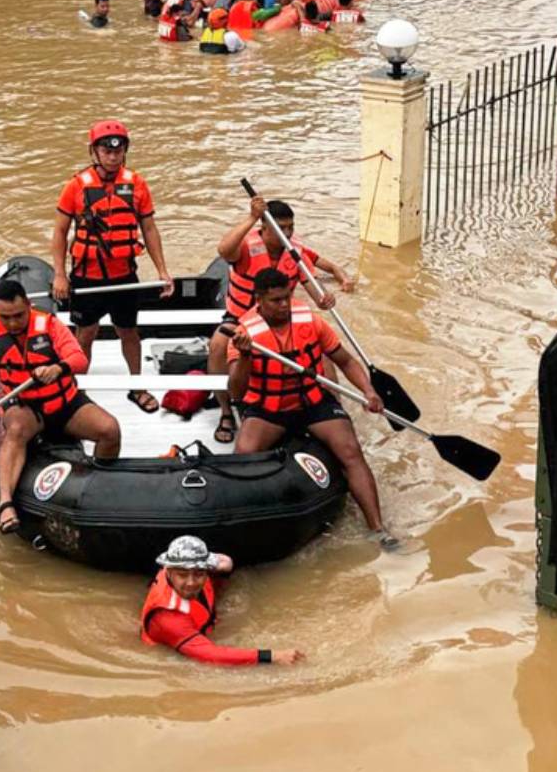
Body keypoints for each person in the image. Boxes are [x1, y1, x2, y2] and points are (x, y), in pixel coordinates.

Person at [0, 279, 121, 534]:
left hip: (64, 404)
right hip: (25, 407)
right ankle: (6, 504)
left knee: (109, 430)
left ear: (29, 306)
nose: (12, 323)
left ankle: (100, 488)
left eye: (18, 315)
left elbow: (78, 359)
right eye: (5, 317)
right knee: (16, 430)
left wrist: (58, 368)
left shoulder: (50, 326)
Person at [228, 268, 386, 533]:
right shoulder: (244, 333)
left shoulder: (310, 321)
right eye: (275, 301)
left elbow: (345, 361)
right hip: (270, 409)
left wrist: (368, 391)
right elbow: (236, 390)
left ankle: (379, 529)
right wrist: (245, 356)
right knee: (243, 456)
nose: (283, 306)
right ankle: (242, 527)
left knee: (350, 451)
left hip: (313, 403)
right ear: (259, 300)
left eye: (286, 298)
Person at [51, 121, 175, 414]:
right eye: (106, 150)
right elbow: (59, 232)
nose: (112, 156)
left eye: (118, 150)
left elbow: (149, 228)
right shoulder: (75, 186)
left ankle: (138, 387)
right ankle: (77, 392)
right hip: (87, 277)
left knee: (129, 332)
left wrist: (162, 271)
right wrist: (59, 274)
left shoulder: (137, 184)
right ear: (94, 152)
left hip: (124, 276)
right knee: (85, 335)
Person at [207, 196, 352, 444]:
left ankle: (333, 407)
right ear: (263, 228)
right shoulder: (246, 248)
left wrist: (325, 299)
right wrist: (252, 216)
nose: (287, 233)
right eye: (280, 228)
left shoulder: (294, 252)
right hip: (242, 316)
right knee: (218, 346)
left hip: (281, 316)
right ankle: (226, 411)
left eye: (290, 227)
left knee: (321, 351)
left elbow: (314, 290)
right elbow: (223, 250)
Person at [141, 535, 303, 666]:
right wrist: (272, 656)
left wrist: (226, 567)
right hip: (181, 646)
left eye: (198, 573)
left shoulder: (203, 572)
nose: (191, 582)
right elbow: (211, 655)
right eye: (182, 575)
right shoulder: (167, 619)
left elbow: (224, 562)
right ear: (168, 573)